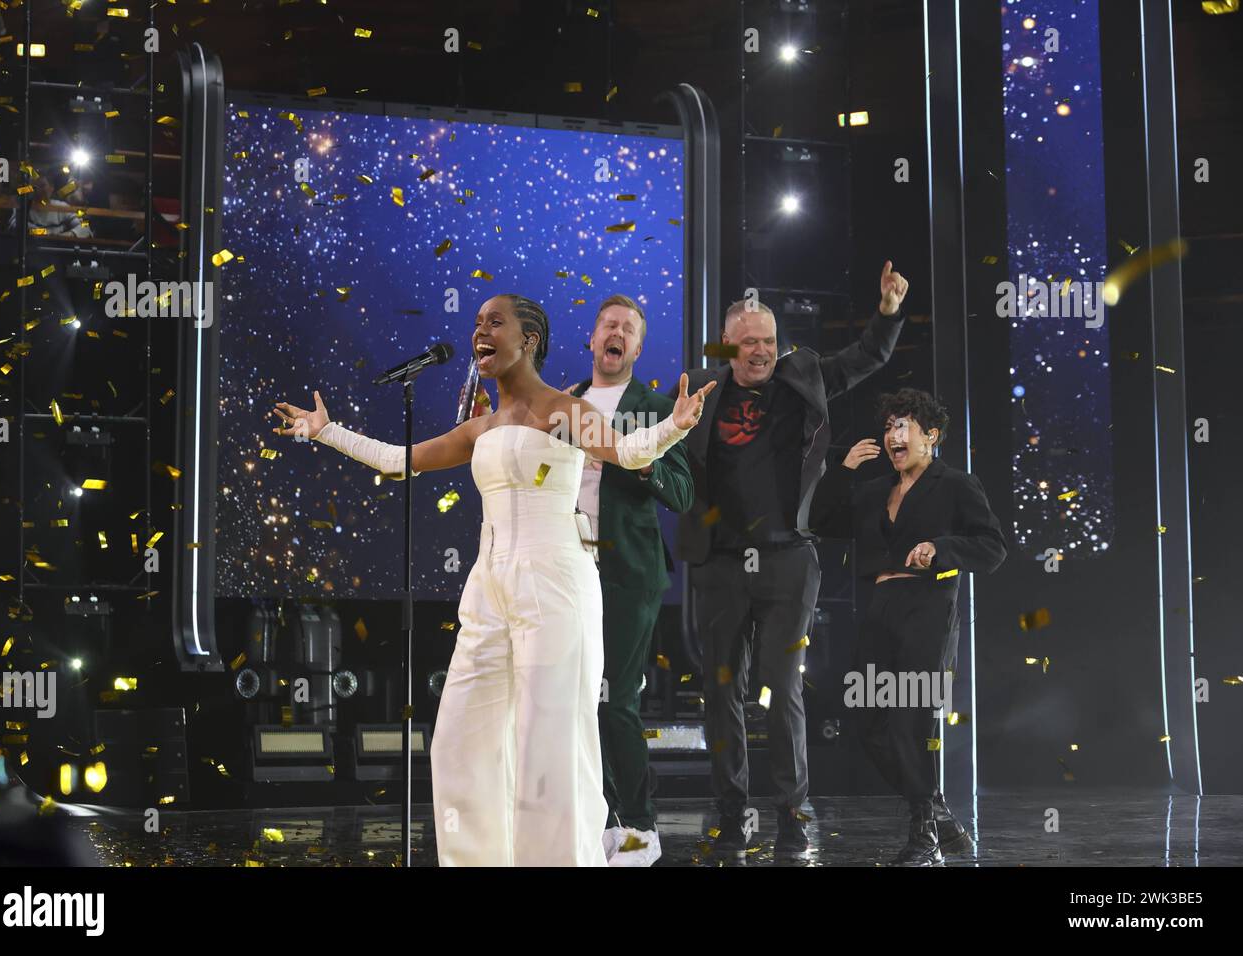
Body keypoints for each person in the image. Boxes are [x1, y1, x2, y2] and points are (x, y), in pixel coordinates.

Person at [271, 294, 714, 867]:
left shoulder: (565, 409)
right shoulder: (481, 426)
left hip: (554, 580)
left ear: (528, 340)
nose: (480, 330)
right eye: (477, 321)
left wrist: (672, 429)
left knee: (546, 745)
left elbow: (627, 453)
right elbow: (398, 460)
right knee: (461, 737)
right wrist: (327, 431)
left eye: (494, 321)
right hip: (489, 585)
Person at [672, 262, 909, 861]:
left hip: (788, 561)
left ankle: (792, 814)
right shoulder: (699, 390)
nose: (760, 351)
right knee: (720, 688)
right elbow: (659, 450)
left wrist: (886, 313)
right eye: (748, 341)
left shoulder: (803, 375)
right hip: (720, 562)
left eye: (769, 341)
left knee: (782, 687)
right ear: (728, 344)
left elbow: (866, 359)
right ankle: (731, 814)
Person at [809, 388, 1006, 865]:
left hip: (929, 606)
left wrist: (941, 549)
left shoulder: (956, 485)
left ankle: (923, 838)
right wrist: (845, 470)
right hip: (881, 607)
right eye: (889, 426)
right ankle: (935, 811)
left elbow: (992, 548)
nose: (893, 435)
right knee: (867, 722)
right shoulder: (876, 490)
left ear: (930, 436)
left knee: (906, 722)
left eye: (904, 426)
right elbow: (820, 519)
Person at [565, 294, 694, 866]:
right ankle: (592, 819)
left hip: (627, 573)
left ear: (637, 348)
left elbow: (683, 492)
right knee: (572, 701)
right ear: (592, 339)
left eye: (628, 329)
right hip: (563, 572)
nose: (616, 333)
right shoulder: (562, 403)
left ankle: (638, 829)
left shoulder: (656, 407)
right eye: (608, 325)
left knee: (614, 699)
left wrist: (642, 461)